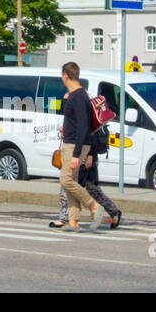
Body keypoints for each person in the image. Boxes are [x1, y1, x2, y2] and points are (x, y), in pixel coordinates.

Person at [58, 62, 102, 231]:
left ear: (65, 75)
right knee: (72, 181)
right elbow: (78, 122)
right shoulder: (77, 95)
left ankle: (94, 206)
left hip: (74, 145)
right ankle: (73, 221)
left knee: (66, 180)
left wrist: (76, 154)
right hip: (73, 142)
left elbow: (84, 126)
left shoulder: (78, 96)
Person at [50, 123, 120, 229]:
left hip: (85, 155)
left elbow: (92, 134)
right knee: (71, 186)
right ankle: (66, 218)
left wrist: (91, 155)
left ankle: (112, 212)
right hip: (78, 152)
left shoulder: (85, 108)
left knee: (90, 189)